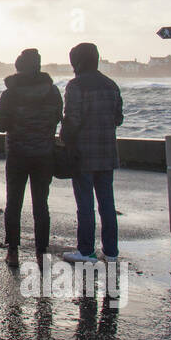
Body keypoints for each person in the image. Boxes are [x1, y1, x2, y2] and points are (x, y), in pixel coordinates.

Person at [0, 48, 63, 267]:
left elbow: (0, 125)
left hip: (17, 154)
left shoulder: (10, 94)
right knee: (41, 205)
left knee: (13, 203)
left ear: (19, 67)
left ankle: (13, 251)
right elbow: (58, 117)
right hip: (44, 154)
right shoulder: (52, 92)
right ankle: (41, 253)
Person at [60, 42, 124, 264]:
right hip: (107, 153)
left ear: (77, 62)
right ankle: (111, 252)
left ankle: (86, 251)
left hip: (83, 154)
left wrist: (64, 138)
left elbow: (72, 119)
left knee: (85, 204)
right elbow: (118, 118)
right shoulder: (111, 85)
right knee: (107, 204)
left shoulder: (76, 85)